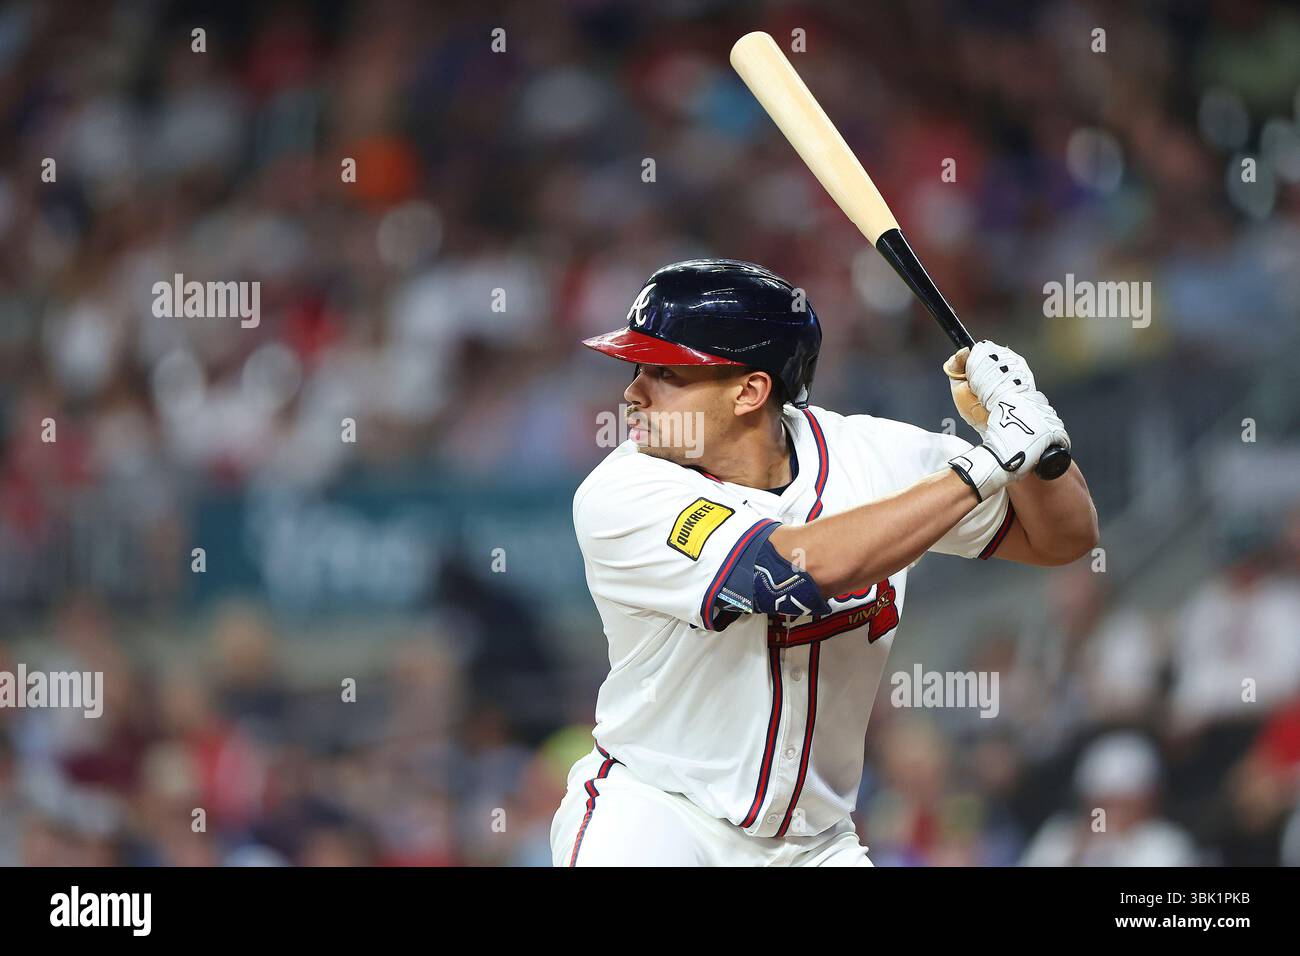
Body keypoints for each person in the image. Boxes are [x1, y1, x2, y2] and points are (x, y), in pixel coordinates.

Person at [551, 259, 1098, 866]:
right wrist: (989, 463)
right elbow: (794, 572)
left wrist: (1027, 430)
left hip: (811, 843)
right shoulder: (621, 493)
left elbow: (1065, 538)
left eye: (664, 371)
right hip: (659, 813)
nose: (632, 390)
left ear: (750, 391)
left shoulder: (873, 457)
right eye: (635, 367)